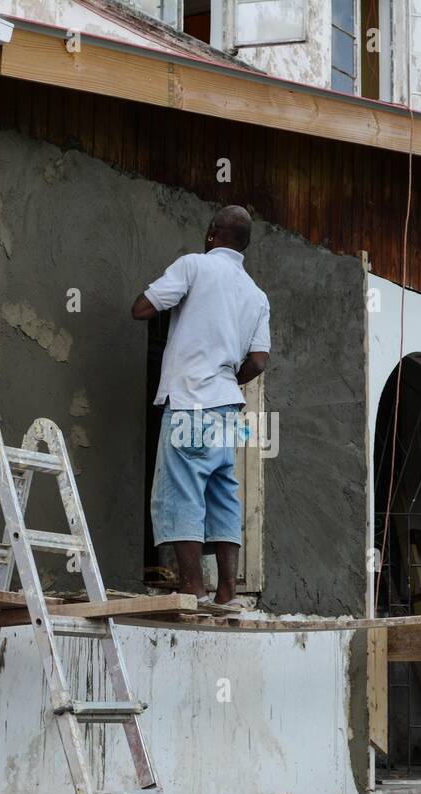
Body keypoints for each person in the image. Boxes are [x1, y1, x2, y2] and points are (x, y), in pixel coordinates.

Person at [131, 205, 270, 606]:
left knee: (180, 492)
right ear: (244, 245)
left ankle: (192, 586)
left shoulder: (194, 265)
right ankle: (227, 590)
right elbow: (258, 360)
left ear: (212, 233)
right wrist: (226, 378)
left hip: (191, 400)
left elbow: (142, 308)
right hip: (227, 407)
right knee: (223, 491)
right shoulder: (256, 294)